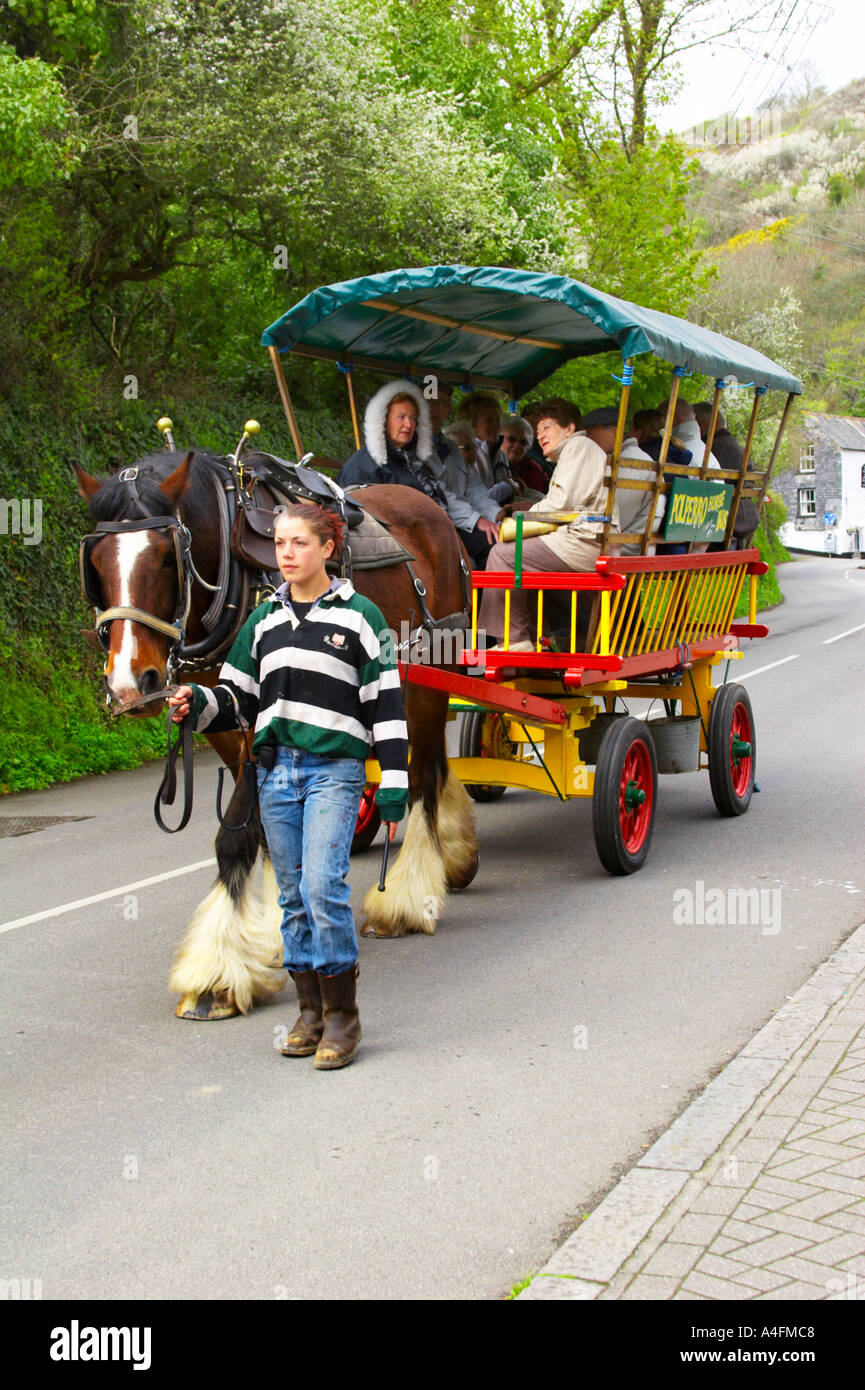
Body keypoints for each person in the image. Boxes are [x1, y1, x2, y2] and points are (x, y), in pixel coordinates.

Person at [167, 504, 408, 1070]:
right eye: (279, 543)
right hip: (275, 774)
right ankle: (310, 1013)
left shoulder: (363, 617)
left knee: (324, 888)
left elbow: (387, 705)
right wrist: (196, 703)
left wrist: (394, 784)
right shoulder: (263, 621)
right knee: (293, 896)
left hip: (334, 772)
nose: (287, 553)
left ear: (328, 548)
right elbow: (236, 699)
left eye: (300, 542)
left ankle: (344, 1018)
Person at [482, 399, 614, 651]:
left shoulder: (578, 446)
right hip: (587, 538)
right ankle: (536, 638)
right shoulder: (579, 450)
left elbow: (560, 504)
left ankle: (514, 639)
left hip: (584, 541)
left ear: (570, 428)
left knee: (502, 554)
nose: (541, 435)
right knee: (522, 556)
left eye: (547, 427)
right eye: (539, 430)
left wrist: (521, 518)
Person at [337, 379, 449, 508]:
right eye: (401, 417)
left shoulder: (414, 461)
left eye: (413, 418)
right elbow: (360, 515)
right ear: (383, 420)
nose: (408, 424)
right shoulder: (365, 467)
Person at [583, 407, 666, 555]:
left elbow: (615, 520)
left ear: (614, 432)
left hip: (624, 551)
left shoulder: (631, 462)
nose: (587, 440)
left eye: (591, 433)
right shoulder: (625, 459)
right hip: (620, 547)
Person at [454, 390, 516, 503]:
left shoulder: (500, 454)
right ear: (471, 425)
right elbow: (473, 501)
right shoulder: (466, 454)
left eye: (498, 419)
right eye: (489, 420)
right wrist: (507, 487)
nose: (497, 425)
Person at [500, 415, 549, 495]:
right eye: (512, 439)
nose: (517, 445)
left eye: (523, 442)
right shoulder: (489, 465)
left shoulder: (533, 468)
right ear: (499, 439)